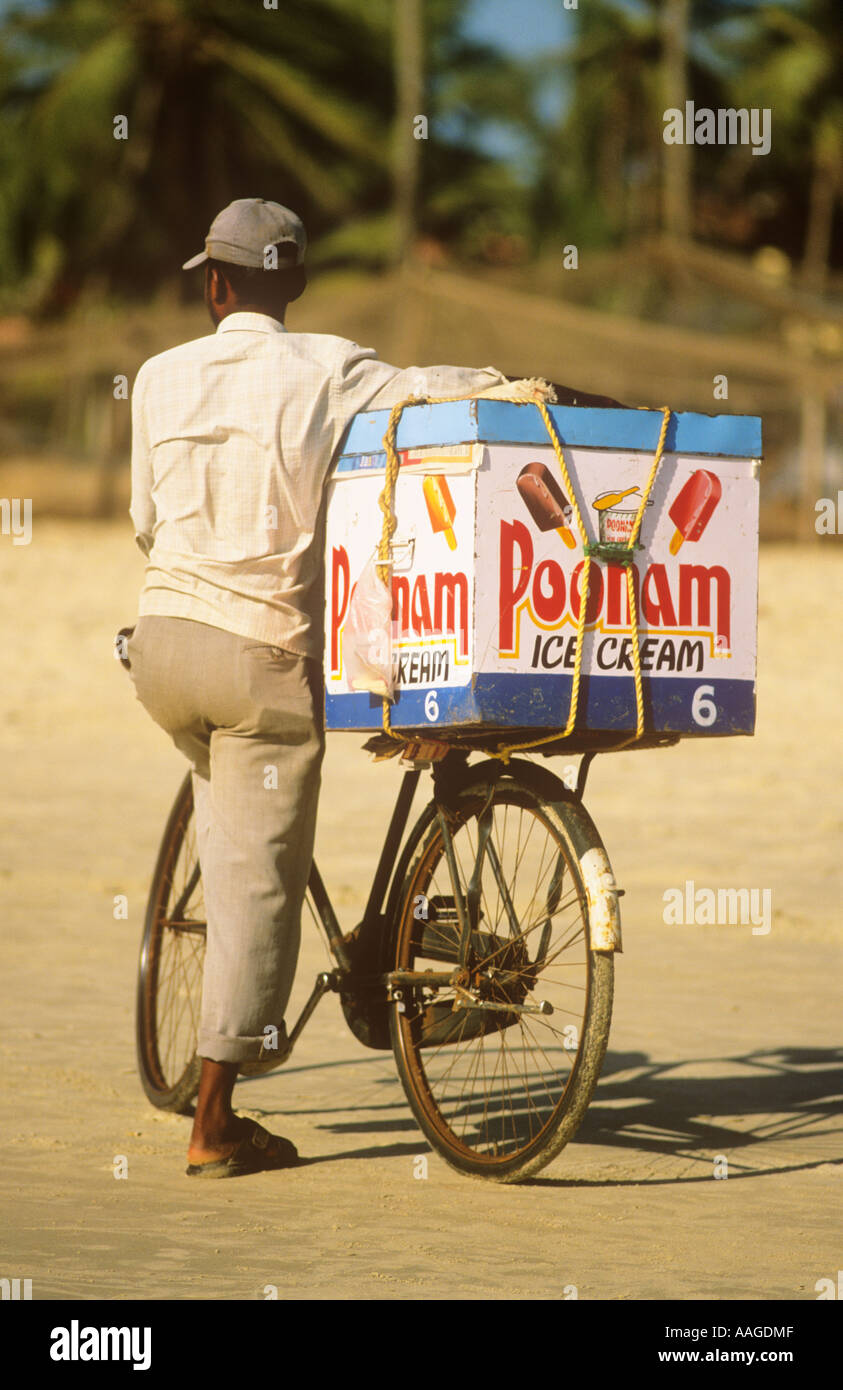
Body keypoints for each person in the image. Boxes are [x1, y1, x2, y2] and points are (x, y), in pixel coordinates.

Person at [124, 197, 516, 1178]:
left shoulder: (161, 377)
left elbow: (142, 522)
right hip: (261, 659)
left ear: (215, 285)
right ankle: (214, 1125)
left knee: (232, 831)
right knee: (259, 884)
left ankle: (246, 980)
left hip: (162, 648)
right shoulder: (334, 367)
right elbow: (435, 390)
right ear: (291, 285)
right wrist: (521, 388)